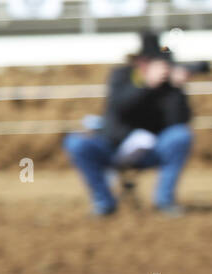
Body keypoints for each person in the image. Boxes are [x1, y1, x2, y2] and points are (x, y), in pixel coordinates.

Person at [63, 31, 193, 217]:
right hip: (113, 145)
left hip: (152, 148)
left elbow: (180, 120)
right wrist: (147, 85)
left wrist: (176, 89)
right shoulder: (121, 76)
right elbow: (120, 106)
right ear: (141, 62)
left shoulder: (169, 88)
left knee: (180, 135)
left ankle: (164, 200)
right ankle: (104, 203)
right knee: (76, 143)